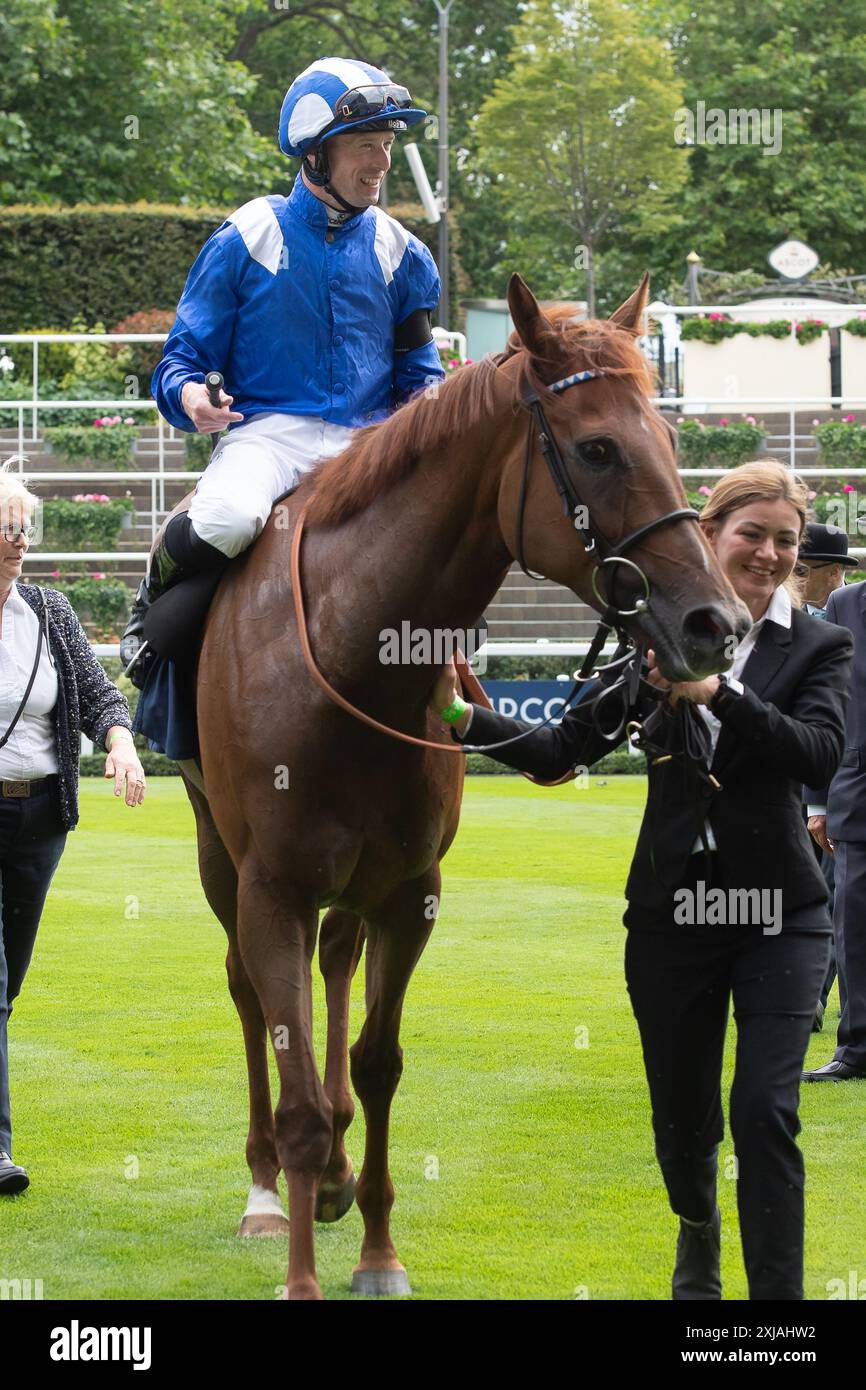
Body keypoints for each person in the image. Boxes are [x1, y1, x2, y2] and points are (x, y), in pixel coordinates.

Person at [431, 461, 852, 1300]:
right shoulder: (650, 640)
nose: (769, 554)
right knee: (682, 1124)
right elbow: (560, 753)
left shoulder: (819, 644)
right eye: (752, 535)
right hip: (673, 917)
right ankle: (698, 1235)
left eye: (786, 541)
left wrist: (717, 695)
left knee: (764, 1113)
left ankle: (780, 1317)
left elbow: (817, 753)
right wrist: (459, 716)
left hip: (783, 913)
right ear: (710, 536)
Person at [120, 56, 444, 674]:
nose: (380, 163)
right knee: (228, 519)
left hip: (364, 443)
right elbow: (182, 360)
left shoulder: (405, 254)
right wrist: (192, 398)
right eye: (364, 146)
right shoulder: (246, 234)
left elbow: (419, 376)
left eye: (385, 146)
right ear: (314, 154)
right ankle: (152, 598)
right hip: (265, 435)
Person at [0, 465, 145, 1195]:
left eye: (21, 527)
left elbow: (96, 693)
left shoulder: (51, 612)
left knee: (9, 981)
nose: (16, 541)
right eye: (3, 529)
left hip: (37, 818)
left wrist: (119, 741)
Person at [802, 538, 866, 1082]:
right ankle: (857, 1049)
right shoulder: (845, 606)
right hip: (855, 793)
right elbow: (829, 707)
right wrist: (818, 800)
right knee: (853, 926)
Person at [798, 522, 855, 1029]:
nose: (836, 580)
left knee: (836, 891)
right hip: (791, 776)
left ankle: (812, 997)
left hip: (832, 776)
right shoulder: (763, 617)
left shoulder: (839, 616)